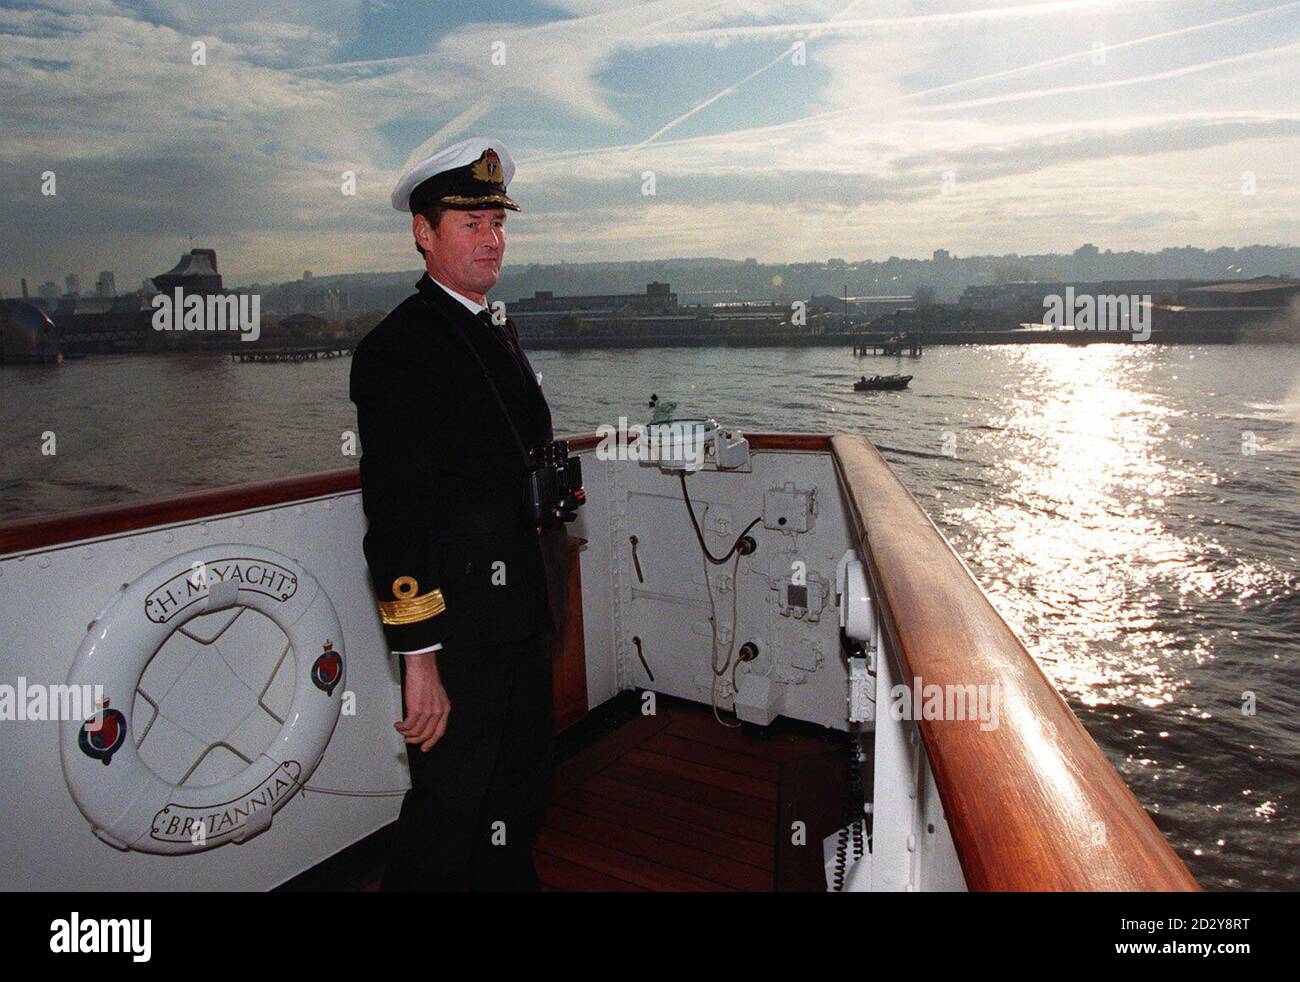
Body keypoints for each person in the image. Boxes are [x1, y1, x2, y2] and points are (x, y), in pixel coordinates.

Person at [349, 136, 569, 891]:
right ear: (424, 233)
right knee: (447, 818)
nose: (491, 238)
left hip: (523, 618)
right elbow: (398, 517)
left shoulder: (488, 327)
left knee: (518, 795)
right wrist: (420, 661)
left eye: (497, 222)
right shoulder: (401, 348)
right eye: (470, 223)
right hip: (463, 634)